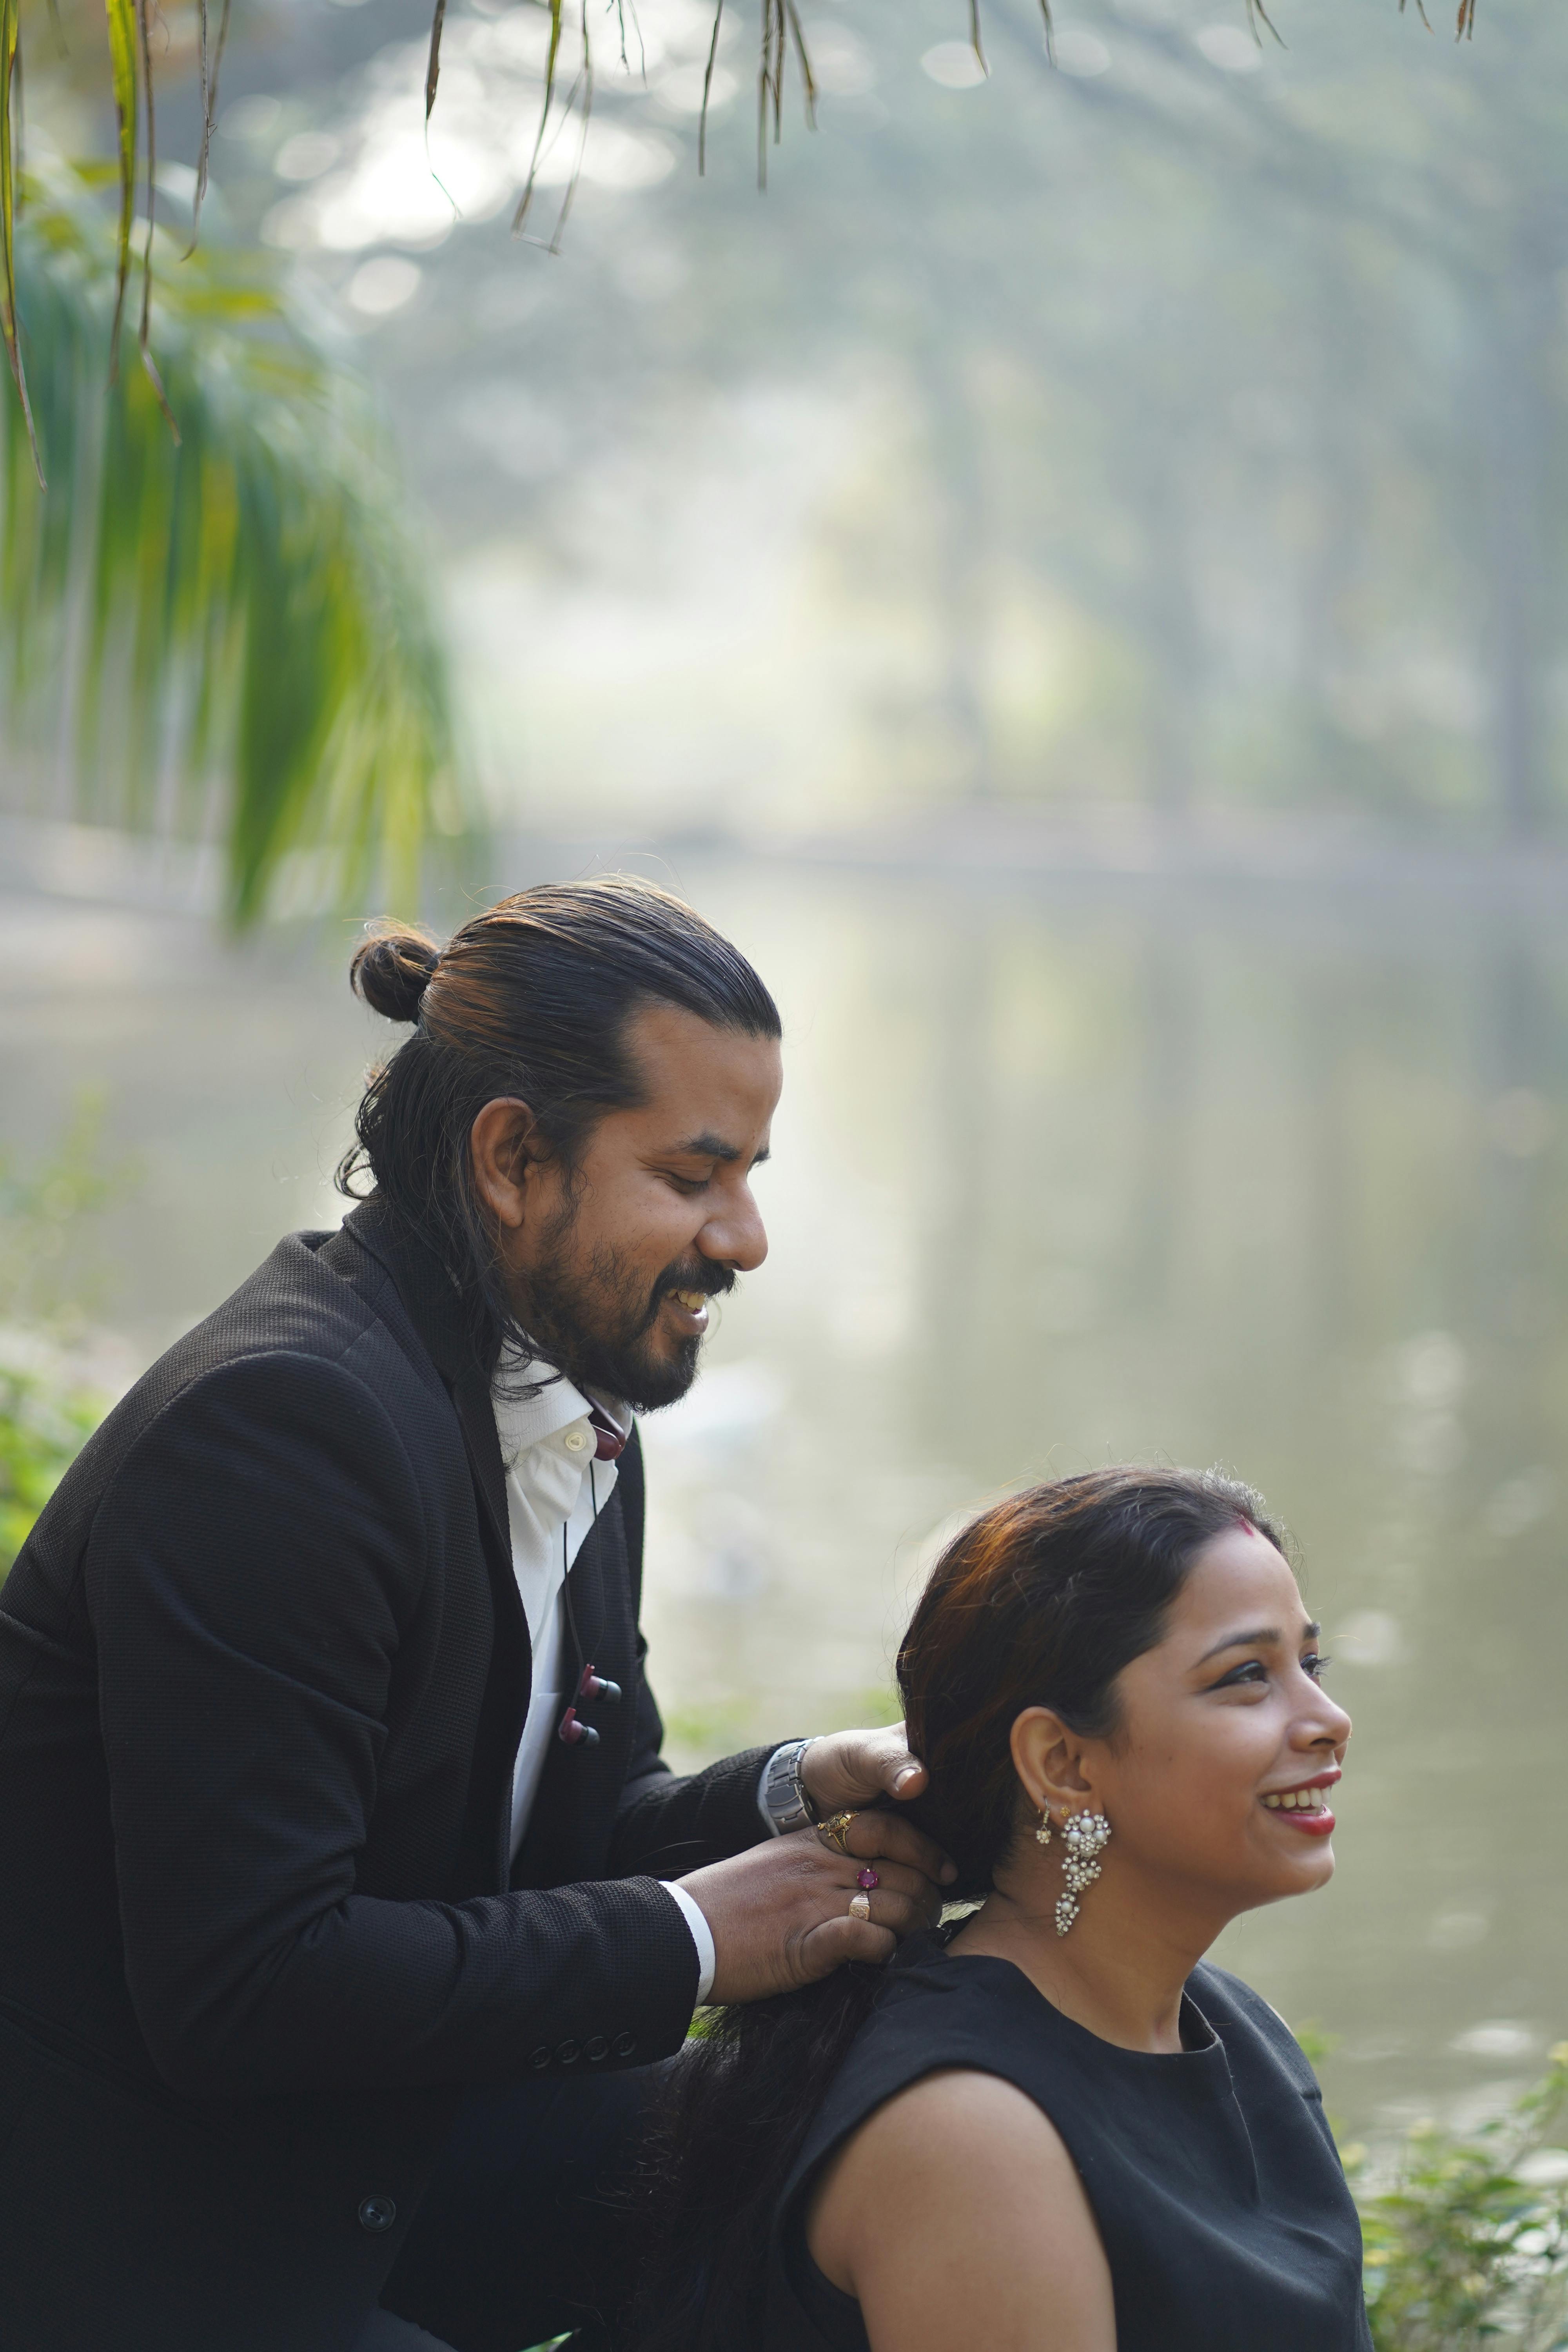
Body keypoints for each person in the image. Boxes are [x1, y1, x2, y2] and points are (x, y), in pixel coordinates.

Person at [0, 878, 954, 2352]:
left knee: (889, 2128)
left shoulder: (571, 1397)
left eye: (755, 1171)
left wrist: (788, 1793)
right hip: (144, 2234)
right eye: (696, 1176)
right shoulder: (283, 1431)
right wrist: (697, 1936)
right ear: (512, 1158)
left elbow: (567, 1835)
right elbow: (250, 1988)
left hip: (379, 2146)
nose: (747, 1236)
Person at [636, 1466, 1370, 2352]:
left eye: (1310, 1663)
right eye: (1245, 1676)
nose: (1326, 1719)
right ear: (1061, 1765)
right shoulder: (968, 2132)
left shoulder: (1233, 2024)